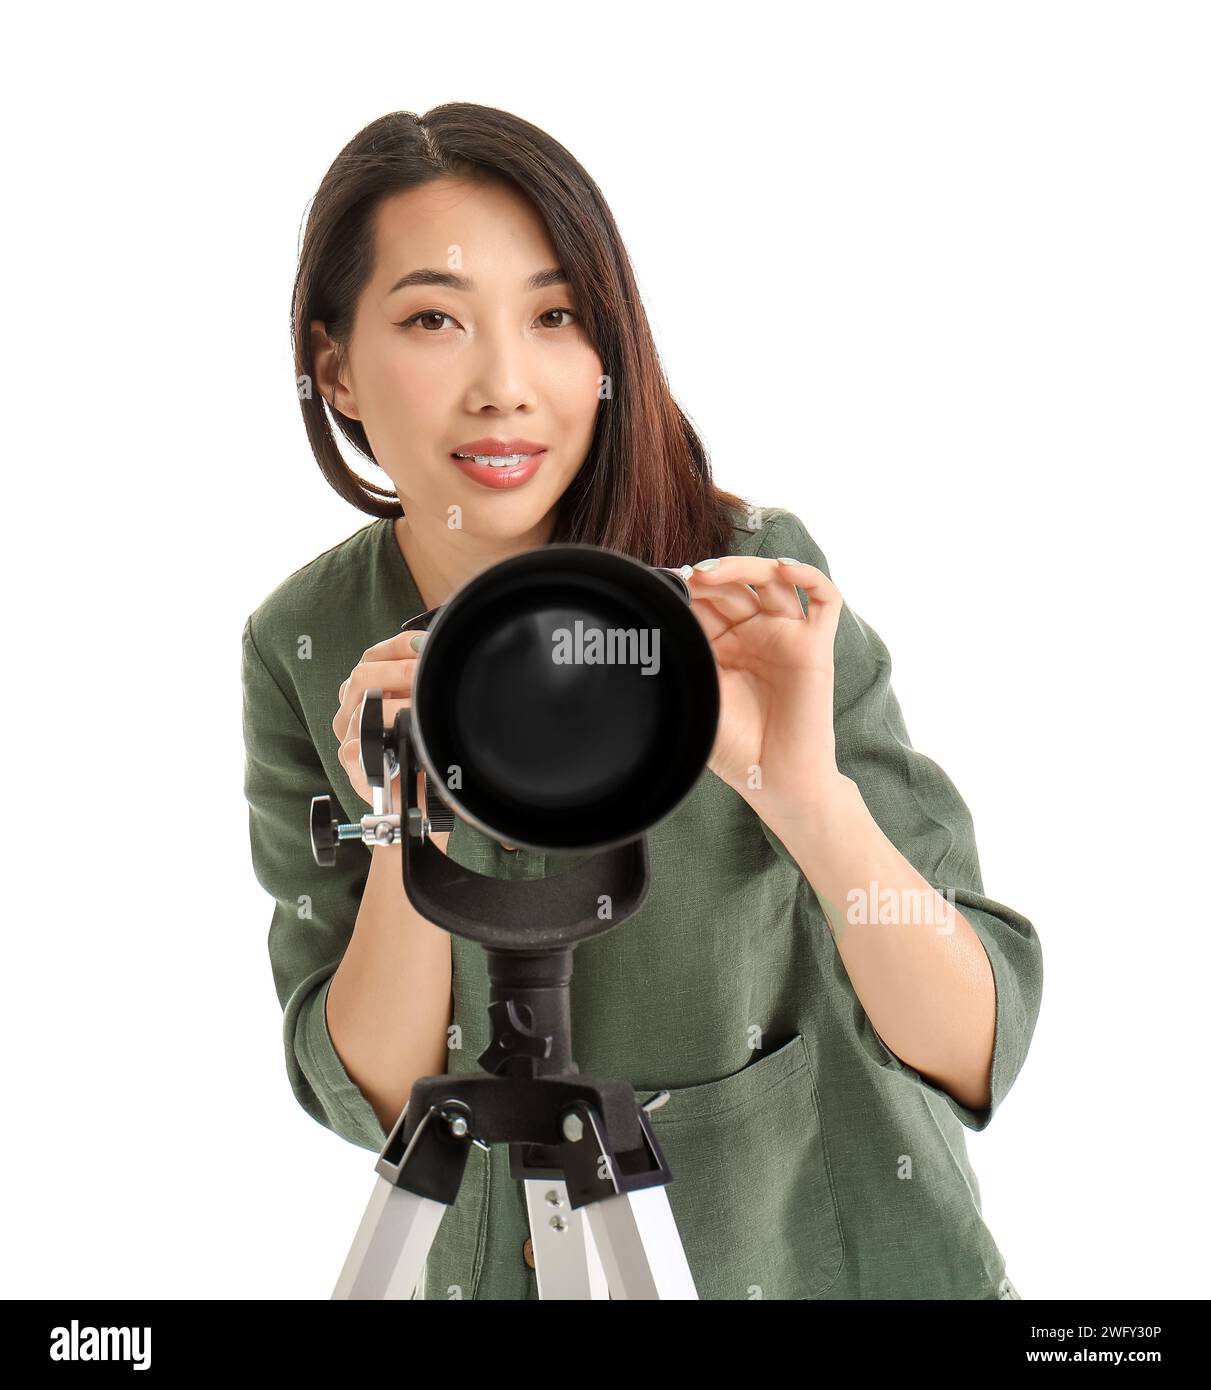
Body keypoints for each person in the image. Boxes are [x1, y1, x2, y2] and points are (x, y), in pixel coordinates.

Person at [241, 103, 1042, 1301]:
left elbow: (975, 1046)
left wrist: (804, 796)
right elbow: (376, 1098)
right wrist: (413, 814)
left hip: (804, 1254)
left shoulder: (744, 587)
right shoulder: (307, 641)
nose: (504, 386)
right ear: (336, 369)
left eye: (555, 317)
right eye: (432, 321)